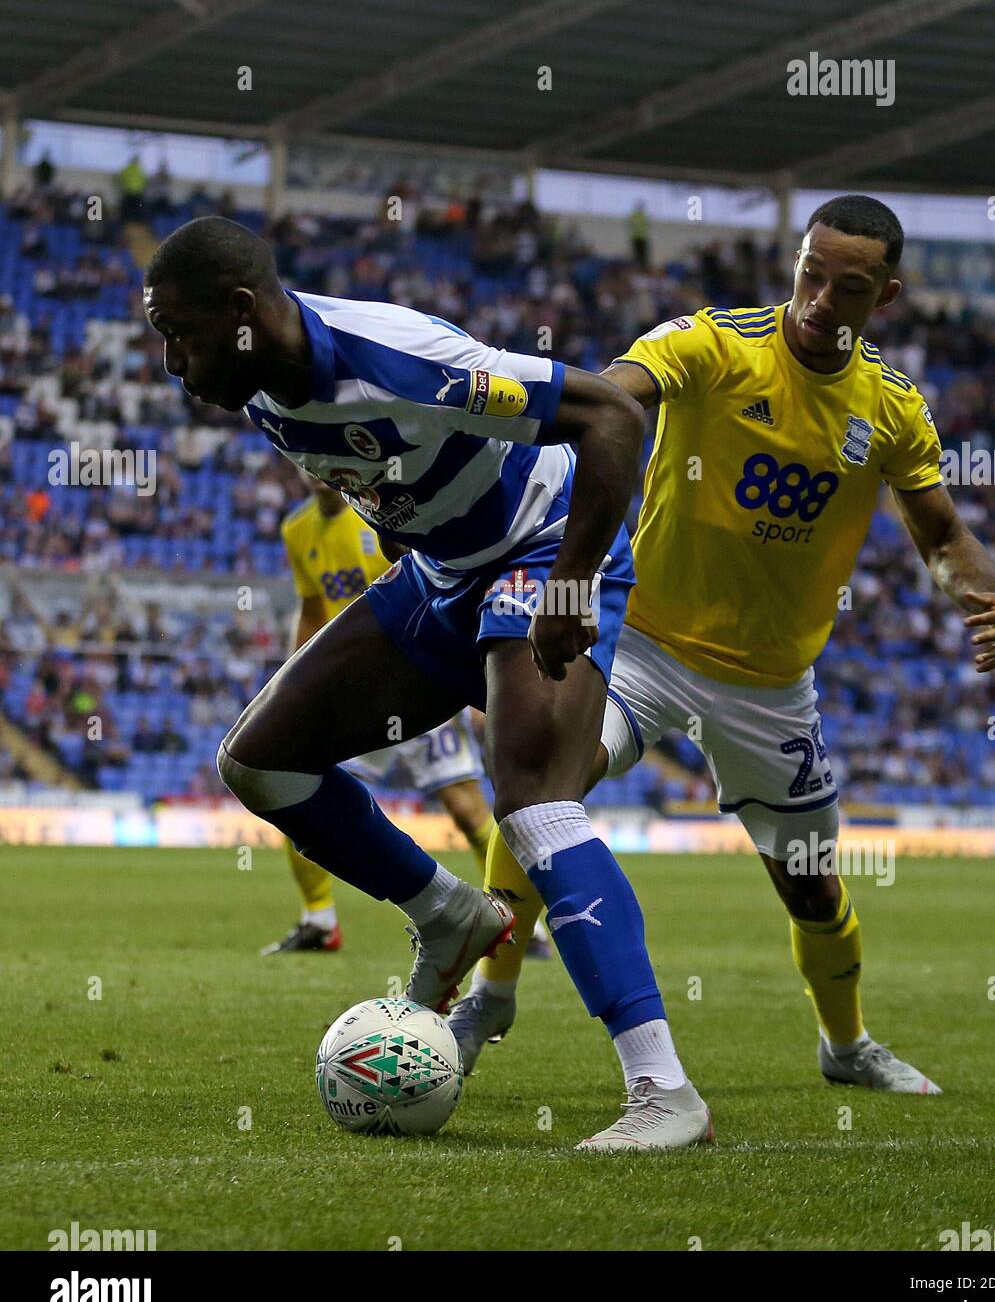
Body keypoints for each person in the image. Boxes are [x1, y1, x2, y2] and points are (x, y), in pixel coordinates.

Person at [142, 216, 711, 1151]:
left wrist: (569, 578)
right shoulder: (258, 388)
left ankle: (663, 1092)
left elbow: (612, 415)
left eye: (179, 332)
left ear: (241, 310)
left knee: (531, 805)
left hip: (536, 548)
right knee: (260, 764)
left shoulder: (402, 361)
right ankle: (447, 913)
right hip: (443, 577)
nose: (172, 361)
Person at [453, 195, 995, 1096]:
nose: (819, 297)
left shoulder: (893, 408)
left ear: (887, 297)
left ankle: (844, 1045)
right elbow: (607, 400)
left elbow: (942, 537)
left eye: (849, 286)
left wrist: (981, 593)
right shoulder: (712, 346)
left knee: (810, 887)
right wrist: (507, 400)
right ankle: (491, 992)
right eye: (810, 271)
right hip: (641, 645)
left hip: (770, 687)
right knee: (542, 787)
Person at [263, 474, 503, 956]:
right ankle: (319, 920)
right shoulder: (297, 529)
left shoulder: (382, 519)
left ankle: (519, 922)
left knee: (466, 809)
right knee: (287, 780)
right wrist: (295, 679)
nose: (313, 472)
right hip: (353, 688)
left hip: (418, 677)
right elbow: (312, 608)